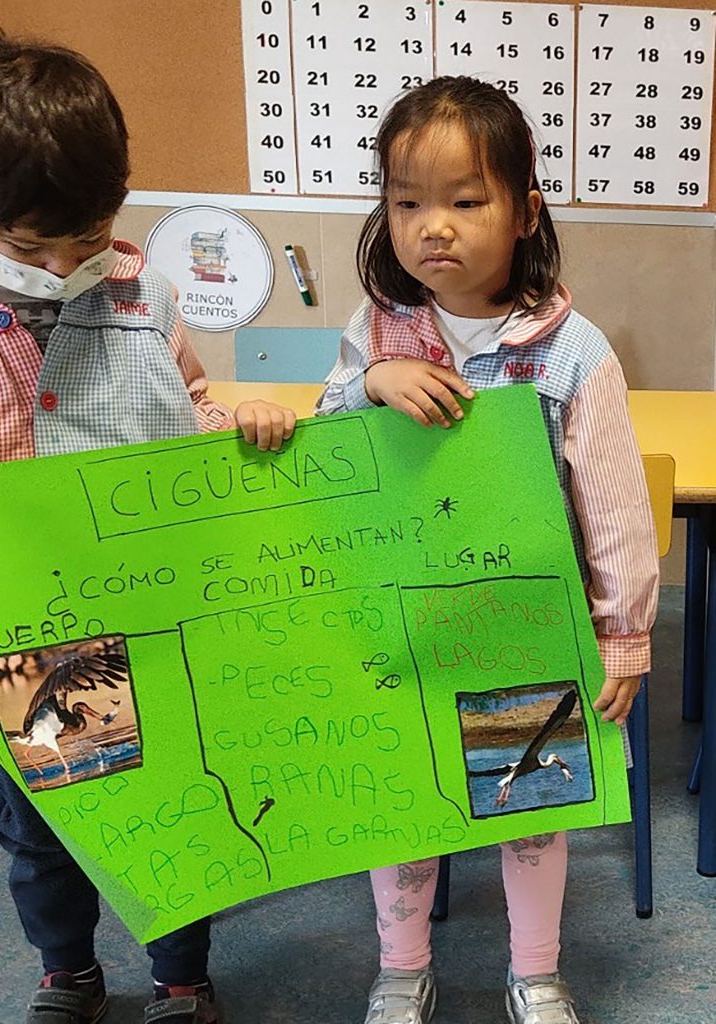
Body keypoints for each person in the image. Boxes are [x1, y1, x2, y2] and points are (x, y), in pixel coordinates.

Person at [0, 13, 296, 1024]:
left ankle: (180, 973)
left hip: (151, 618)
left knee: (165, 800)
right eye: (39, 246)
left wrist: (236, 419)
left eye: (93, 235)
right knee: (37, 825)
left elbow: (192, 404)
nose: (74, 261)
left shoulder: (145, 297)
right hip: (11, 632)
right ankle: (67, 969)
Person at [315, 76, 658, 1024]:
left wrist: (624, 632)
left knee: (532, 803)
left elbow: (617, 505)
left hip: (523, 627)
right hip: (406, 626)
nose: (434, 227)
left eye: (466, 201)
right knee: (405, 802)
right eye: (408, 202)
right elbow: (324, 452)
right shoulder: (374, 332)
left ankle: (537, 969)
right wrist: (368, 382)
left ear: (524, 211)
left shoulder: (570, 350)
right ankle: (400, 966)